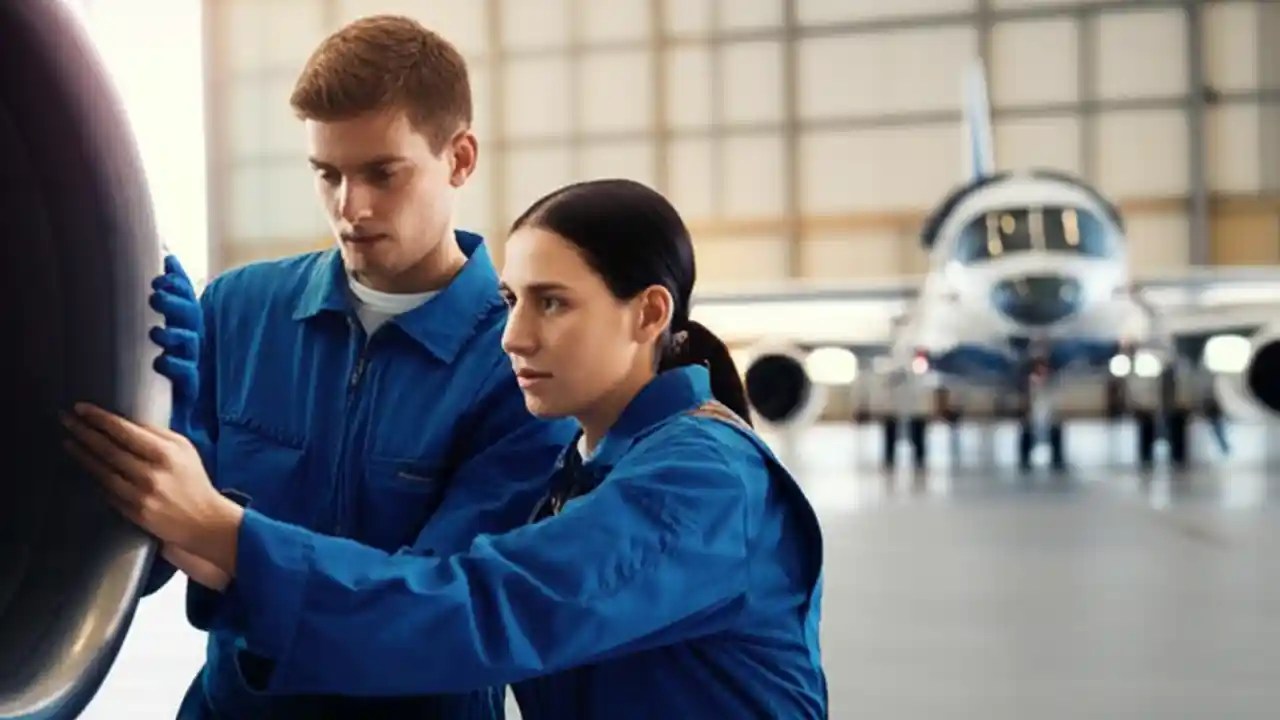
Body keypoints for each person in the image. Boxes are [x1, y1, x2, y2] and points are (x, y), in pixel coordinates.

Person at [64, 178, 829, 718]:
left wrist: (229, 536)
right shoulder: (585, 471)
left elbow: (486, 606)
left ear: (648, 313)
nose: (514, 337)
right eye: (511, 300)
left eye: (553, 303)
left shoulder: (701, 485)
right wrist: (194, 481)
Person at [107, 14, 577, 719]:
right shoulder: (235, 311)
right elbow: (130, 578)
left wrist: (216, 528)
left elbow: (440, 607)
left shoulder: (522, 362)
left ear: (460, 158)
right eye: (327, 174)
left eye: (382, 174)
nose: (349, 208)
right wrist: (136, 446)